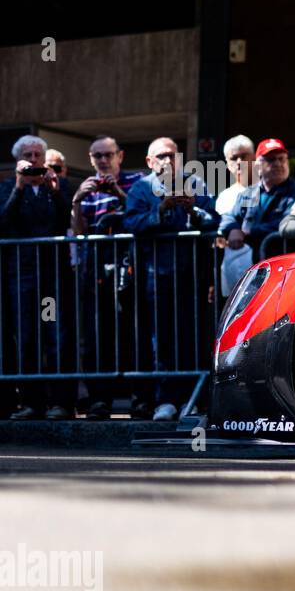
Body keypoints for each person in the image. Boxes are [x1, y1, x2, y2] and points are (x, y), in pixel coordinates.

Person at [125, 137, 218, 421]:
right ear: (150, 162)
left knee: (192, 334)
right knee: (161, 337)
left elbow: (215, 220)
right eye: (161, 156)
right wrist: (161, 209)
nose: (168, 160)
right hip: (156, 274)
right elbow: (130, 223)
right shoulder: (141, 188)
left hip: (191, 274)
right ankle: (165, 399)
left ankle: (194, 398)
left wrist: (193, 209)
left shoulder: (196, 183)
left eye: (172, 155)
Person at [0, 135, 76, 419]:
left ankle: (61, 402)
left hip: (51, 279)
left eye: (37, 155)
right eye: (28, 155)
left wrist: (55, 191)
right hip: (21, 277)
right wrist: (19, 187)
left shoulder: (57, 186)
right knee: (27, 337)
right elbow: (3, 222)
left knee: (54, 334)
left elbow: (66, 221)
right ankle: (32, 402)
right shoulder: (8, 187)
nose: (34, 160)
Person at [71, 135, 142, 419]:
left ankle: (139, 399)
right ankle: (99, 399)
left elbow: (139, 214)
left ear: (120, 156)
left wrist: (118, 193)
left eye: (108, 155)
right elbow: (78, 232)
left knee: (133, 333)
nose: (103, 161)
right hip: (96, 270)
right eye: (97, 156)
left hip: (130, 266)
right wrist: (77, 201)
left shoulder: (137, 182)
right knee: (96, 335)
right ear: (91, 159)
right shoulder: (87, 188)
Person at [219, 138, 295, 260]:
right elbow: (229, 217)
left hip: (287, 262)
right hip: (257, 264)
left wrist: (248, 232)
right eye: (271, 160)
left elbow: (287, 223)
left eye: (281, 159)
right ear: (258, 164)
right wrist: (232, 229)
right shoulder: (248, 194)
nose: (277, 164)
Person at [214, 135, 255, 218]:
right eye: (234, 158)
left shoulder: (269, 190)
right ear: (227, 164)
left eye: (244, 156)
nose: (239, 161)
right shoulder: (224, 197)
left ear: (254, 158)